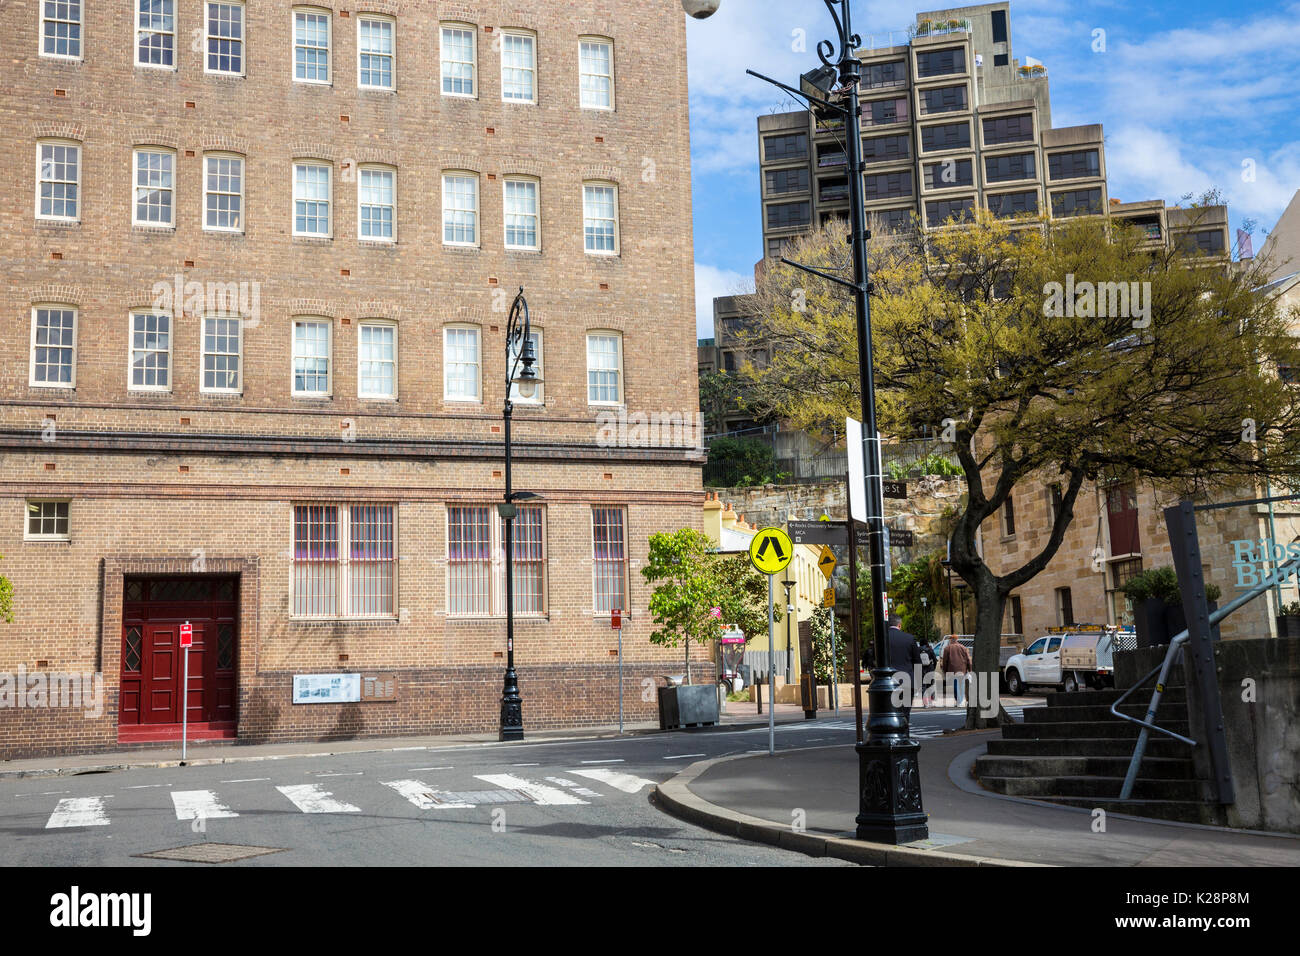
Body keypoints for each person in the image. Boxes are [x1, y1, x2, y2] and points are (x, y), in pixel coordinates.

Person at [886, 613, 923, 714]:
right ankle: (904, 729)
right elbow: (917, 661)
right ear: (900, 625)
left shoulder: (882, 638)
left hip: (888, 682)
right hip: (907, 681)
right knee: (905, 713)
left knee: (890, 712)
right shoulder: (909, 638)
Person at [941, 635, 974, 706]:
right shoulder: (963, 648)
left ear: (951, 640)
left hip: (951, 670)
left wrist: (944, 670)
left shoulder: (947, 648)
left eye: (950, 640)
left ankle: (958, 700)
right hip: (962, 670)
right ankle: (961, 700)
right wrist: (970, 669)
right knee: (961, 686)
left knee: (955, 685)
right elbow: (969, 660)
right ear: (957, 639)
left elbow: (945, 661)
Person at [916, 633, 937, 705]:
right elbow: (935, 660)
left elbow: (915, 660)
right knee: (930, 685)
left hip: (921, 669)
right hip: (930, 668)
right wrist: (933, 668)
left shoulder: (917, 650)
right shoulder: (930, 649)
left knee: (923, 686)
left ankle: (925, 703)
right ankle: (930, 701)